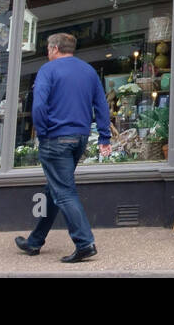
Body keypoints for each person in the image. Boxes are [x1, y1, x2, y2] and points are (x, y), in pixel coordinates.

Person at [15, 32, 111, 263]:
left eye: (48, 49)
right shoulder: (88, 71)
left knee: (64, 192)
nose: (48, 53)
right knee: (54, 189)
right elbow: (101, 105)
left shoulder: (48, 70)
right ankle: (34, 241)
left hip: (55, 139)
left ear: (55, 48)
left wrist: (43, 131)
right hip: (79, 138)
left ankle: (84, 242)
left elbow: (39, 105)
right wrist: (104, 138)